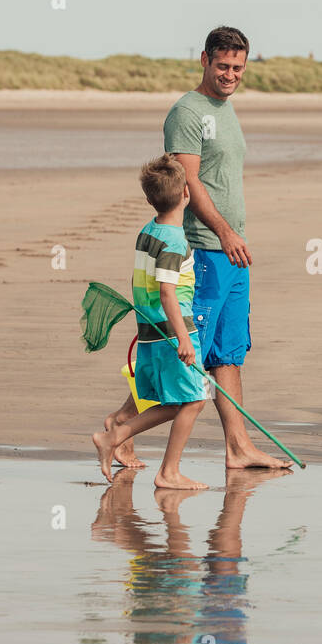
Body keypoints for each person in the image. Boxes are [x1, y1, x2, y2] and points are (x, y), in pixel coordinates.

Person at [164, 26, 290, 471]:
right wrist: (223, 232)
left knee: (229, 355)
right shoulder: (188, 111)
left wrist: (233, 237)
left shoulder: (226, 108)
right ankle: (118, 429)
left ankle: (238, 447)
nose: (230, 74)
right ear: (204, 60)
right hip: (205, 250)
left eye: (237, 67)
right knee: (190, 353)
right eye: (222, 65)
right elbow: (190, 181)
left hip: (232, 252)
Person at [92, 156, 212, 489]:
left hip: (150, 333)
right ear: (187, 193)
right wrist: (184, 340)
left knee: (176, 402)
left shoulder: (148, 231)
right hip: (173, 332)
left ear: (149, 200)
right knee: (196, 398)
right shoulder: (175, 241)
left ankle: (114, 437)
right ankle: (168, 472)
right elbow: (167, 294)